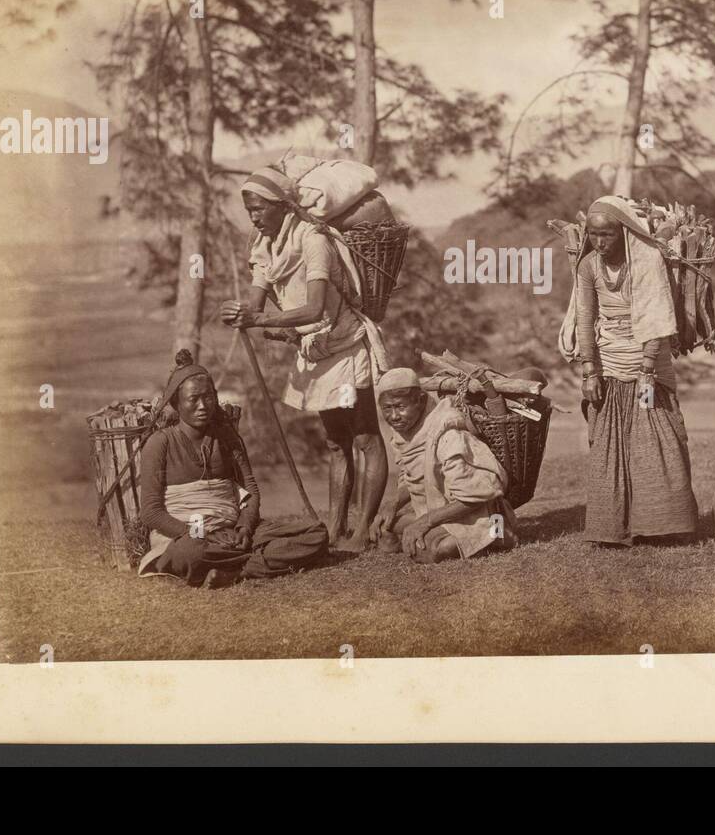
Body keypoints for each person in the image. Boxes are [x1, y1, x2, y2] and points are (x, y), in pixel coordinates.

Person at [219, 166, 389, 551]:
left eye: (260, 209)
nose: (254, 217)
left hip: (344, 346)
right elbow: (256, 303)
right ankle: (334, 529)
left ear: (283, 205)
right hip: (314, 352)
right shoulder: (264, 247)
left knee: (364, 437)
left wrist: (258, 318)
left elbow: (314, 309)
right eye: (249, 212)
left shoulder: (314, 241)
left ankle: (361, 532)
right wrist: (239, 312)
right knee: (335, 443)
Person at [560, 196, 698, 545]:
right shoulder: (588, 266)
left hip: (648, 360)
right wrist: (590, 371)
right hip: (608, 359)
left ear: (624, 232)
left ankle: (663, 525)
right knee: (608, 443)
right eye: (593, 234)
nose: (599, 242)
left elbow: (656, 319)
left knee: (654, 439)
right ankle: (612, 527)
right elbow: (586, 319)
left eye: (606, 234)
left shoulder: (648, 261)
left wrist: (647, 370)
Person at [138, 351, 329, 586]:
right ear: (176, 404)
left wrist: (244, 528)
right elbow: (150, 511)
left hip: (231, 529)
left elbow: (250, 490)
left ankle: (235, 572)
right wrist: (199, 532)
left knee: (316, 534)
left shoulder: (227, 438)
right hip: (189, 535)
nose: (202, 406)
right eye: (193, 399)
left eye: (208, 397)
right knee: (189, 553)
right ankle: (249, 562)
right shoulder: (160, 443)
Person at [369, 368, 517, 564]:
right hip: (435, 510)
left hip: (476, 514)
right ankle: (426, 534)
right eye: (387, 408)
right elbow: (413, 477)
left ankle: (498, 534)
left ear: (420, 400)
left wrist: (425, 522)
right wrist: (393, 503)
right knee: (383, 527)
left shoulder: (448, 434)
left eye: (400, 406)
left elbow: (474, 497)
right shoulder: (404, 432)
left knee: (432, 550)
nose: (394, 416)